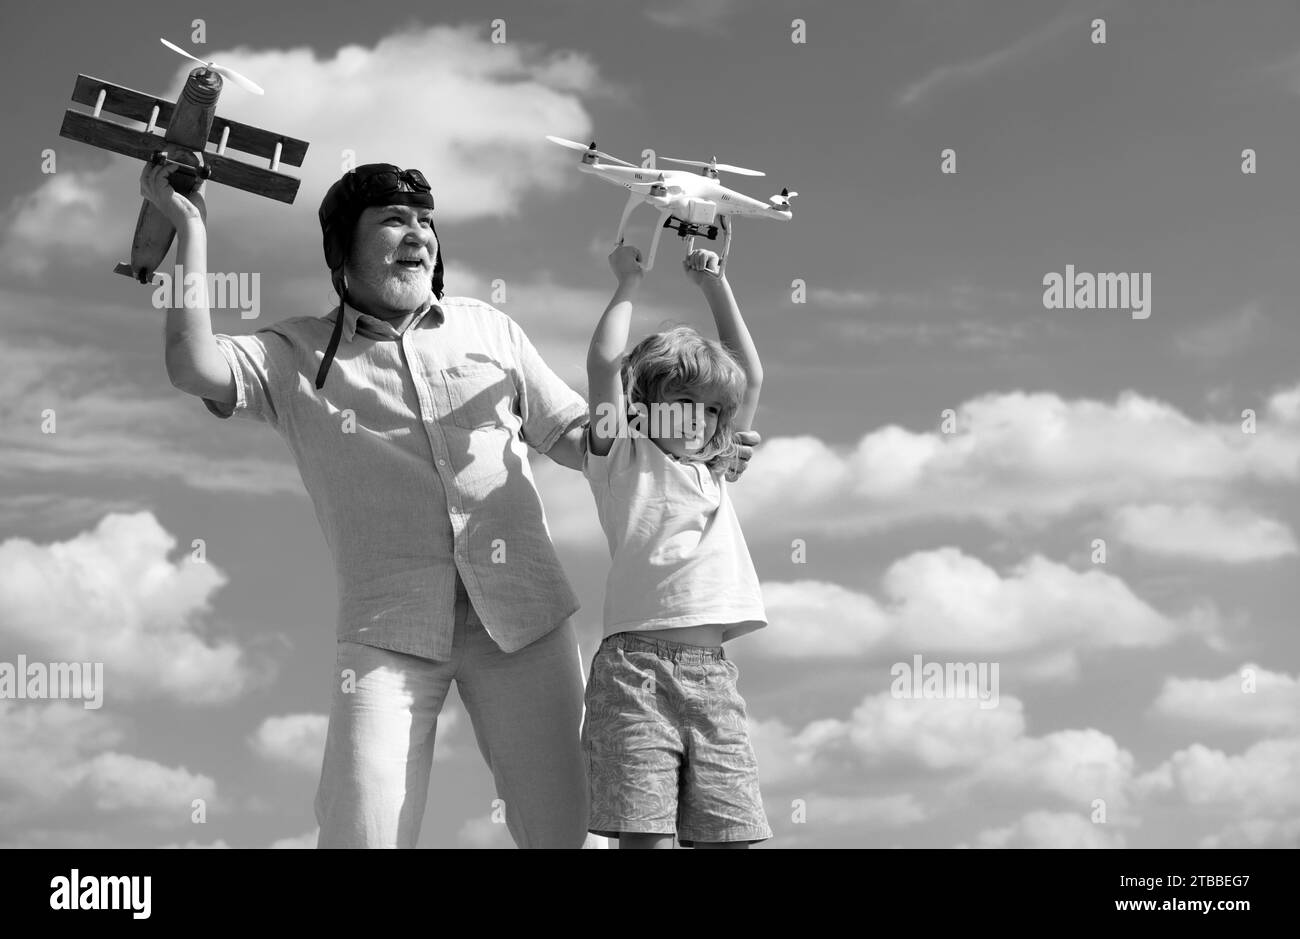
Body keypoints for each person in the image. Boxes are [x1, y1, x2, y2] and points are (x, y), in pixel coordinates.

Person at [143, 156, 760, 848]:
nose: (418, 234)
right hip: (389, 628)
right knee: (362, 831)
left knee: (573, 837)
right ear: (343, 246)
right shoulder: (294, 352)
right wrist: (190, 229)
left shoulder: (488, 329)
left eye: (426, 222)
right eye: (394, 220)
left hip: (525, 618)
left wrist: (690, 439)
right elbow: (191, 364)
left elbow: (582, 436)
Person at [580, 244, 771, 848]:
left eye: (714, 410)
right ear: (644, 408)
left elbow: (750, 375)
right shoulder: (621, 458)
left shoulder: (716, 467)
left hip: (713, 679)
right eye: (683, 403)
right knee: (645, 838)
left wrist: (715, 285)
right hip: (634, 674)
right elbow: (604, 363)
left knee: (733, 836)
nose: (702, 420)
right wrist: (628, 281)